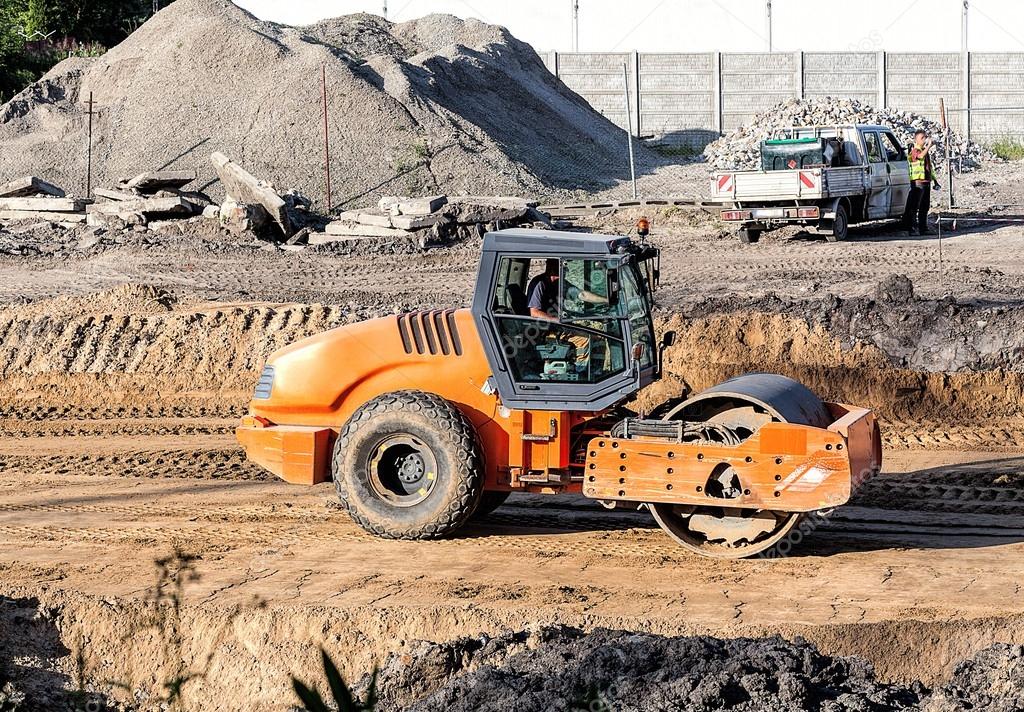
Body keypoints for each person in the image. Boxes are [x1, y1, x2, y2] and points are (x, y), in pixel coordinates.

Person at [526, 259, 607, 320]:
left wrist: (606, 300)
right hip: (545, 327)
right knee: (591, 338)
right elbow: (534, 313)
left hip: (559, 323)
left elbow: (582, 295)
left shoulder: (560, 283)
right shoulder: (538, 284)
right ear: (552, 268)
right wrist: (556, 320)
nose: (565, 271)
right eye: (563, 268)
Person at [902, 129, 941, 236]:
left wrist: (935, 181)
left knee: (924, 207)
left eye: (925, 137)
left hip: (926, 182)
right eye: (922, 138)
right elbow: (920, 156)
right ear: (917, 140)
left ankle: (923, 228)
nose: (924, 140)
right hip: (917, 183)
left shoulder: (924, 151)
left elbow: (929, 168)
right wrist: (928, 146)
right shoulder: (915, 151)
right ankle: (911, 229)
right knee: (914, 207)